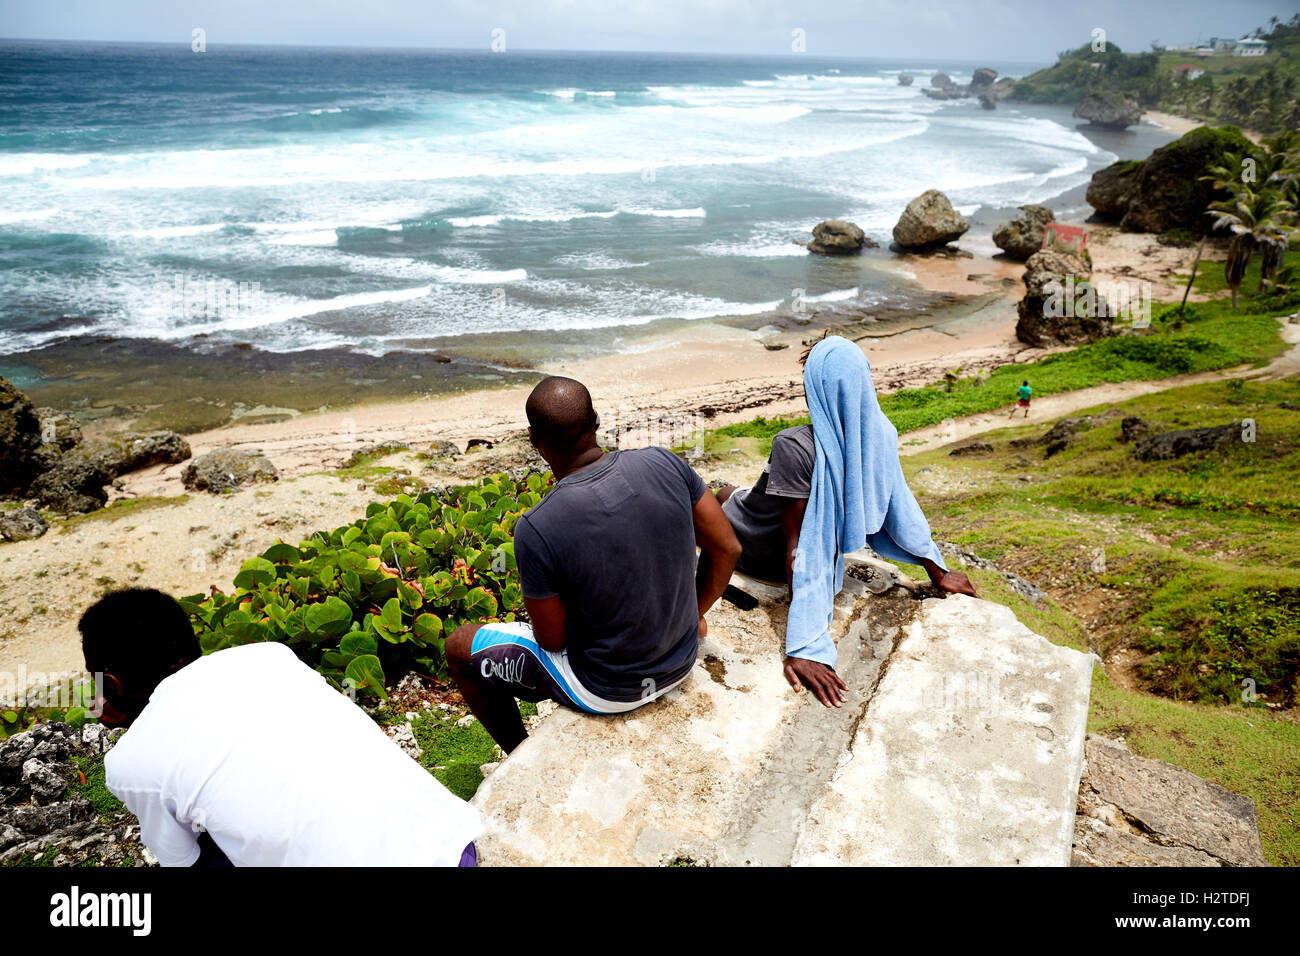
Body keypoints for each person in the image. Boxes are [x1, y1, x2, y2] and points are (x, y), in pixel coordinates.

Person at [82, 588, 482, 867]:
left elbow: (181, 860)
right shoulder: (270, 656)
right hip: (454, 849)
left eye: (96, 682)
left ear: (112, 684)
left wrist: (128, 720)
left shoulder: (129, 762)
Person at [446, 376, 741, 754]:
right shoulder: (665, 462)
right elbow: (728, 547)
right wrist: (693, 613)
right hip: (683, 658)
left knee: (459, 646)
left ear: (535, 441)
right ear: (597, 420)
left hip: (605, 690)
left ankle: (519, 753)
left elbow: (552, 640)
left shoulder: (537, 527)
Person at [717, 337, 976, 709]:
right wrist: (937, 569)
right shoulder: (879, 434)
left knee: (721, 498)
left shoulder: (794, 445)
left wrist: (805, 642)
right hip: (786, 536)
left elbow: (799, 547)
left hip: (760, 553)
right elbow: (902, 504)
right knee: (731, 494)